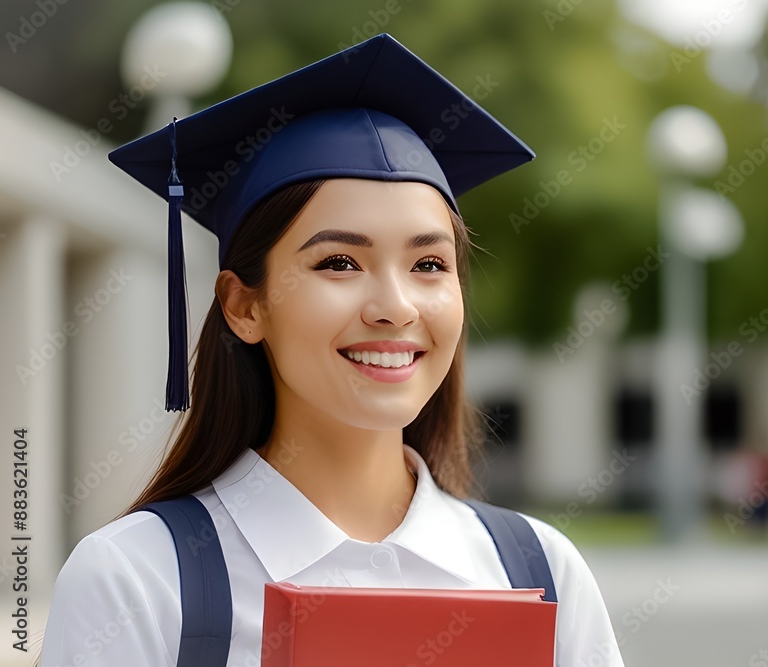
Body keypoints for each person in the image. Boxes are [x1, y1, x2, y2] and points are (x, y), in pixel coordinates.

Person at [40, 33, 625, 667]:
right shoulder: (140, 583)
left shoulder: (541, 575)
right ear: (244, 306)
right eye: (340, 262)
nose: (395, 306)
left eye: (430, 263)